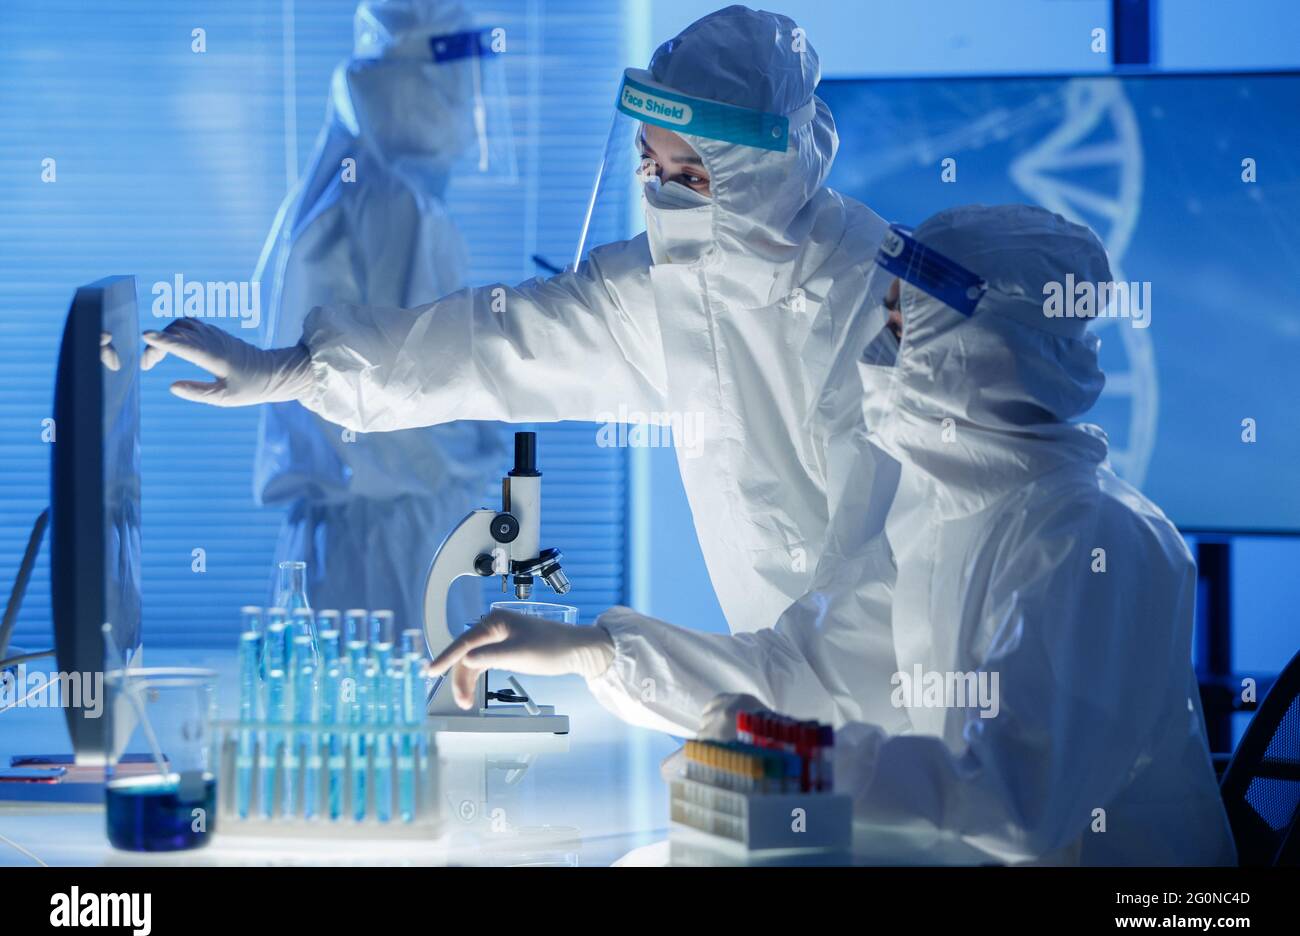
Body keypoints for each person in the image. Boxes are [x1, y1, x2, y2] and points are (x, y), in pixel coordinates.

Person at [427, 205, 1237, 865]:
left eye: (900, 326)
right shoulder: (946, 514)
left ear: (984, 349)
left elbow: (1014, 802)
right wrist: (596, 650)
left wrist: (781, 762)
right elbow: (802, 669)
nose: (874, 356)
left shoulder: (1091, 538)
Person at [140, 5, 893, 636]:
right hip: (791, 710)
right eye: (651, 169)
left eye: (692, 177)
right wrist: (299, 369)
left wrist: (662, 676)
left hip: (889, 719)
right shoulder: (665, 292)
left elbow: (864, 619)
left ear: (768, 170)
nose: (665, 202)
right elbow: (491, 345)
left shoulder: (871, 313)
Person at [241, 0, 509, 633]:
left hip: (352, 538)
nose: (475, 95)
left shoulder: (345, 177)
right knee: (400, 724)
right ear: (428, 70)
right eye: (466, 66)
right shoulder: (393, 205)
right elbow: (428, 386)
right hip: (393, 545)